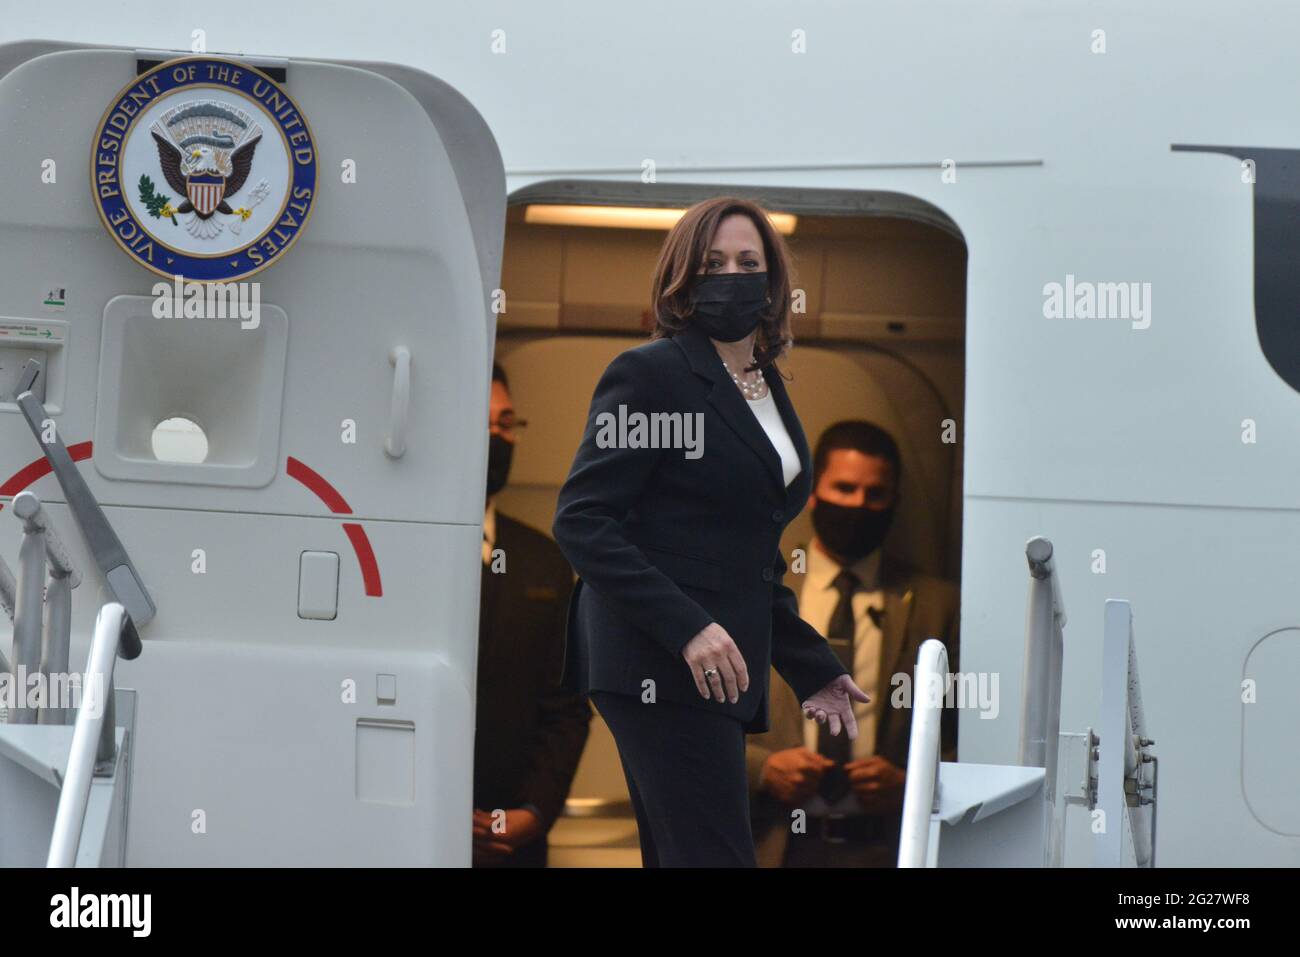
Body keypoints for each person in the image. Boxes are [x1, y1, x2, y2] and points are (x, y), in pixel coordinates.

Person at [551, 196, 871, 867]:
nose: (733, 275)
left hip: (719, 670)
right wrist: (687, 627)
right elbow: (582, 520)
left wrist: (810, 664)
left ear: (774, 279)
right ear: (684, 279)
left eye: (748, 262)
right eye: (714, 263)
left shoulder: (763, 384)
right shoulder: (652, 374)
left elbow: (747, 559)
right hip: (657, 661)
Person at [746, 420, 960, 867]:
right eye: (844, 488)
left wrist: (912, 782)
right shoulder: (753, 592)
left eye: (875, 494)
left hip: (888, 846)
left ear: (893, 502)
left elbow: (976, 735)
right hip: (773, 843)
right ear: (812, 491)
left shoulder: (937, 606)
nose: (858, 505)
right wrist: (763, 770)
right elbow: (695, 721)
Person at [472, 362, 592, 867]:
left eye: (507, 425)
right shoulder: (398, 550)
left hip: (512, 843)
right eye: (486, 423)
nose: (500, 438)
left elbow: (566, 708)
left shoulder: (545, 560)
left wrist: (533, 812)